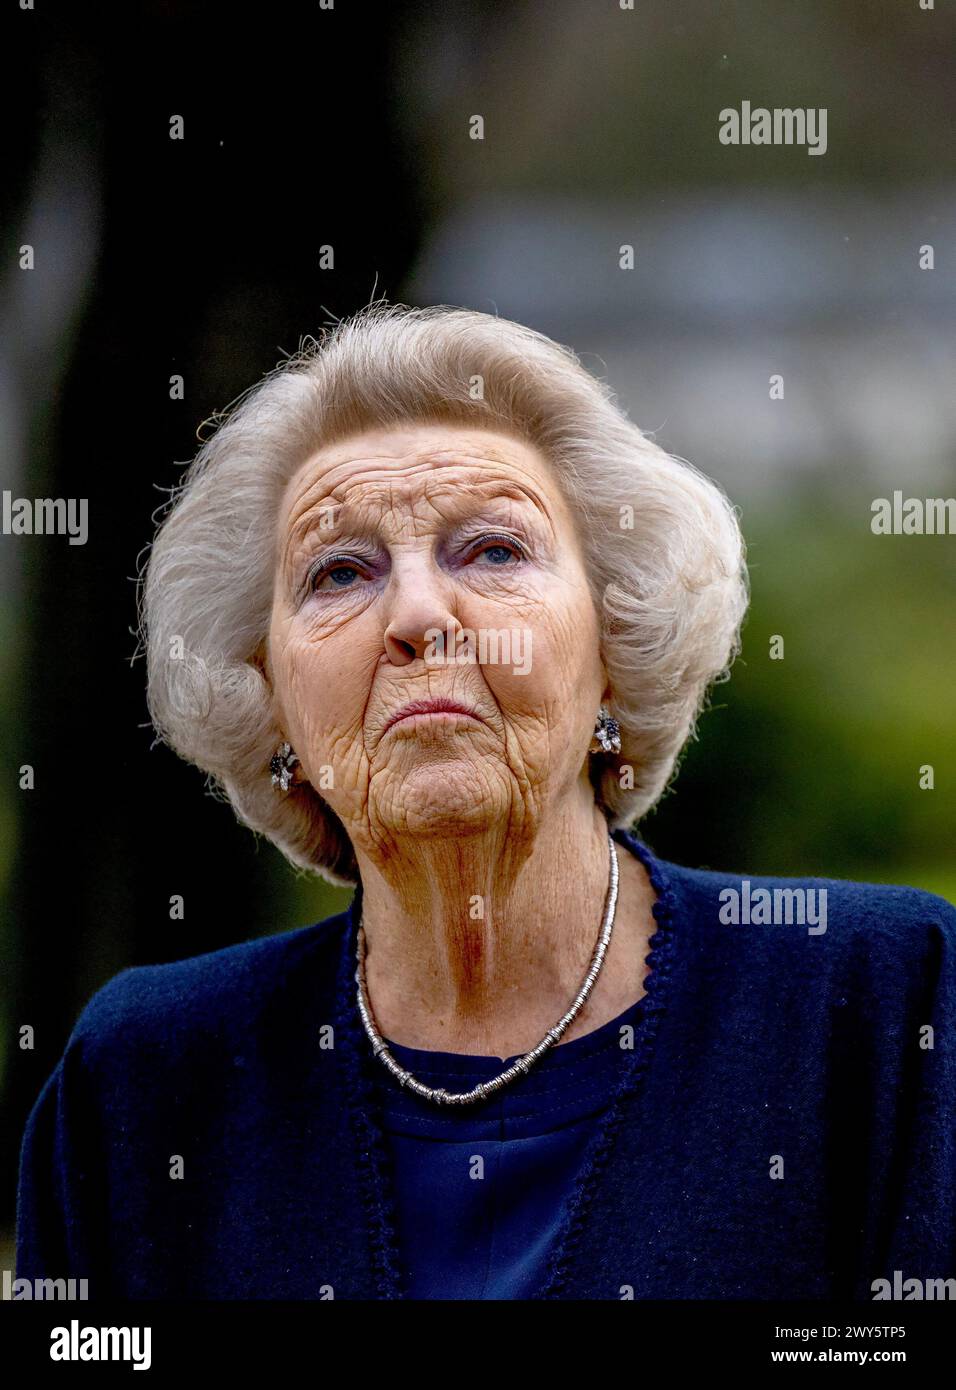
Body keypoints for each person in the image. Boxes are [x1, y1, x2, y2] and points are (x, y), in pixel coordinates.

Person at [16, 303, 956, 1299]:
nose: (419, 615)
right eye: (340, 571)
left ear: (612, 655)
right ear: (271, 705)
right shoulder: (146, 1077)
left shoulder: (878, 1002)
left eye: (493, 551)